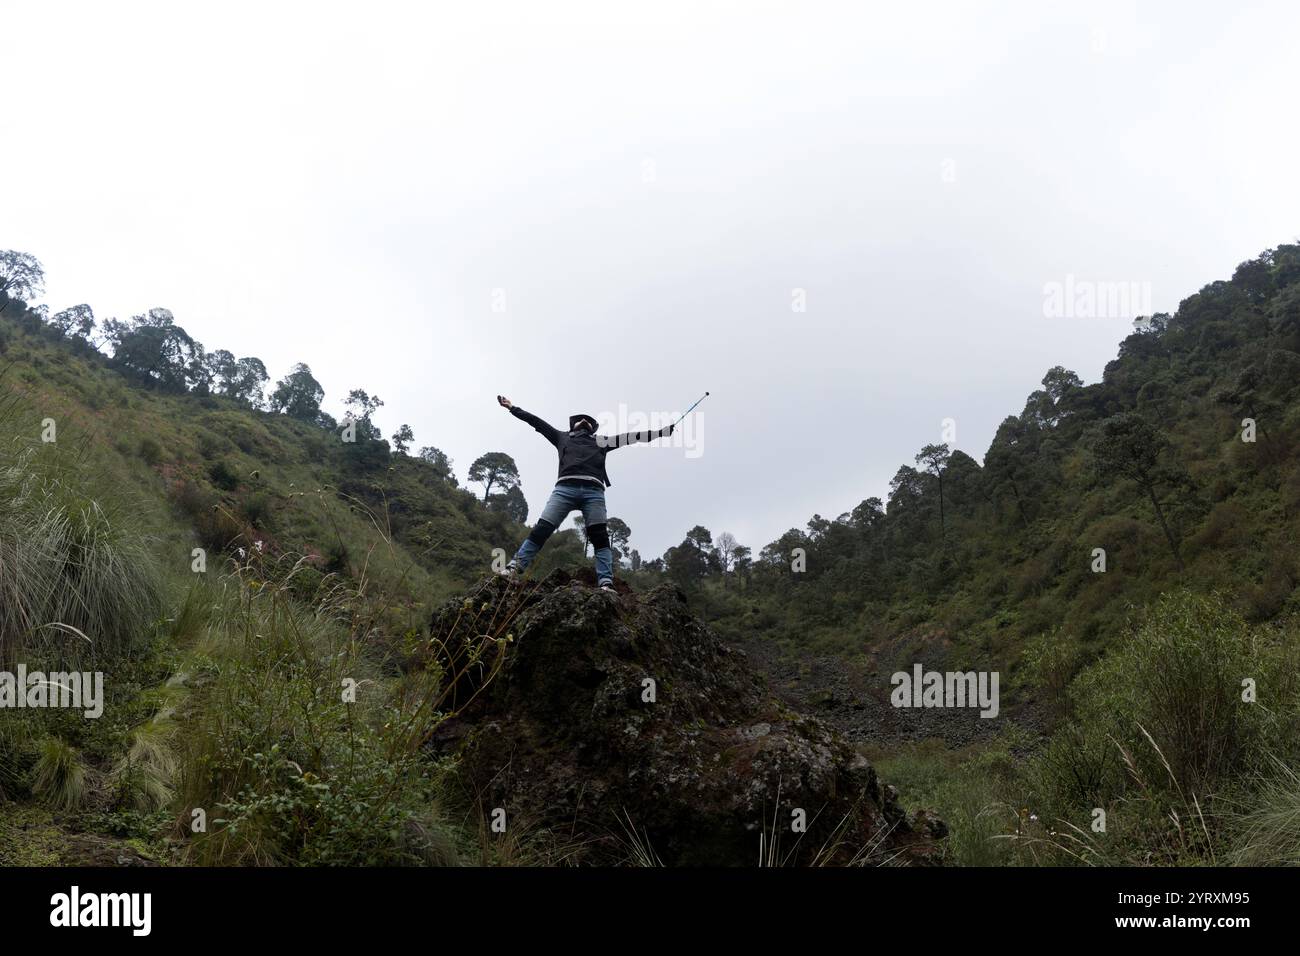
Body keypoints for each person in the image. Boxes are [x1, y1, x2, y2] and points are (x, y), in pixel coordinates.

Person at [496, 395, 674, 589]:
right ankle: (514, 568)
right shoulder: (561, 437)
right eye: (581, 419)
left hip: (594, 493)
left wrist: (661, 433)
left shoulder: (602, 441)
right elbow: (535, 421)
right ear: (573, 425)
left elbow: (632, 437)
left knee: (600, 537)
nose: (584, 421)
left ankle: (606, 583)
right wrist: (512, 408)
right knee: (542, 529)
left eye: (588, 420)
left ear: (593, 428)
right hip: (564, 490)